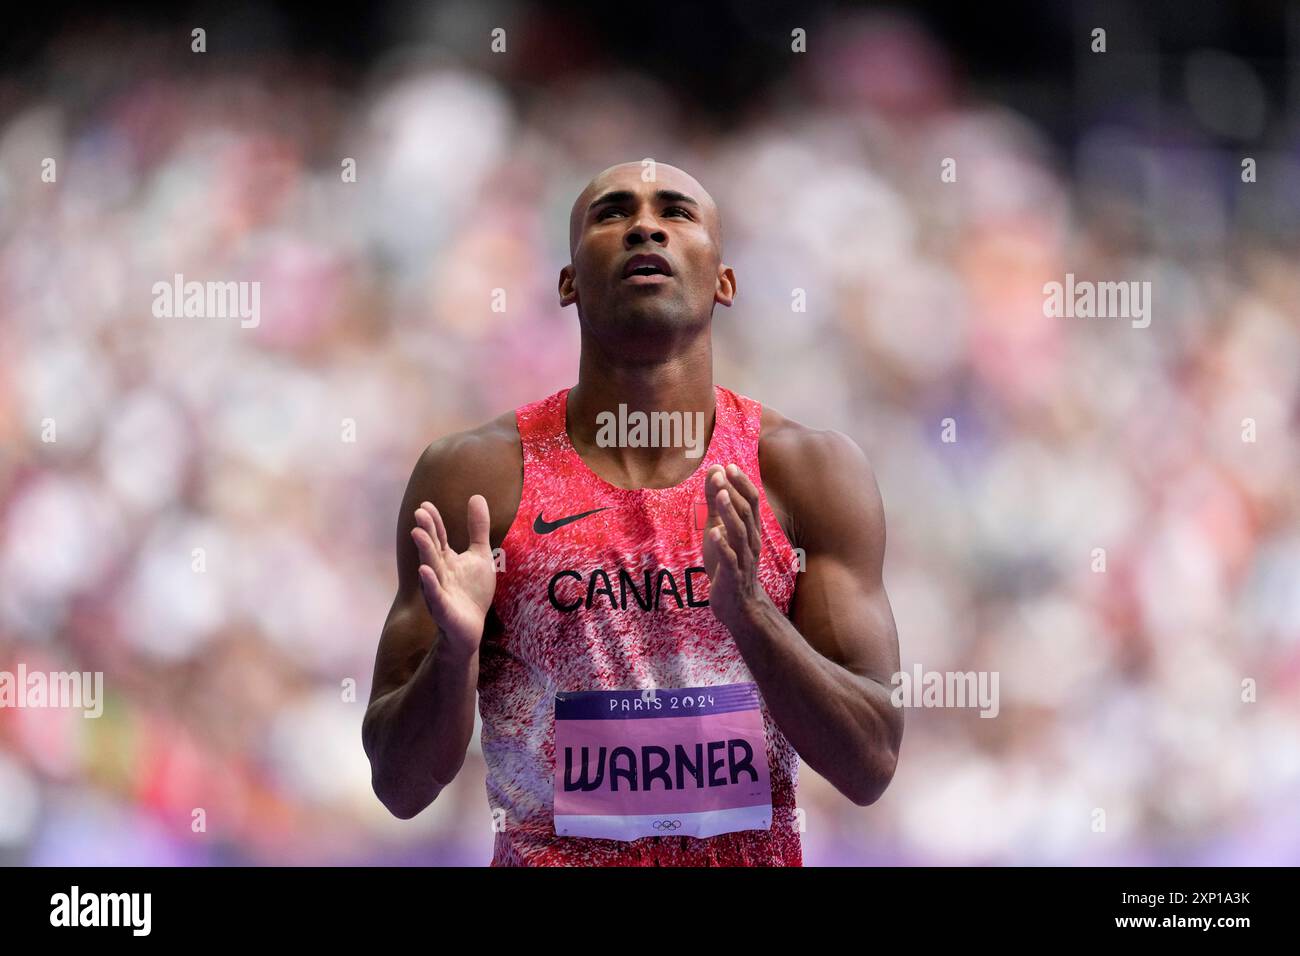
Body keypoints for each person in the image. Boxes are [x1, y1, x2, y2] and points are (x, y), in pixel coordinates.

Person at [361, 161, 903, 866]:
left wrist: (752, 616)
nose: (645, 224)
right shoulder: (475, 478)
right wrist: (454, 654)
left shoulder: (807, 474)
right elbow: (399, 787)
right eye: (612, 212)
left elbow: (870, 765)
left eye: (676, 212)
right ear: (567, 283)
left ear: (725, 281)